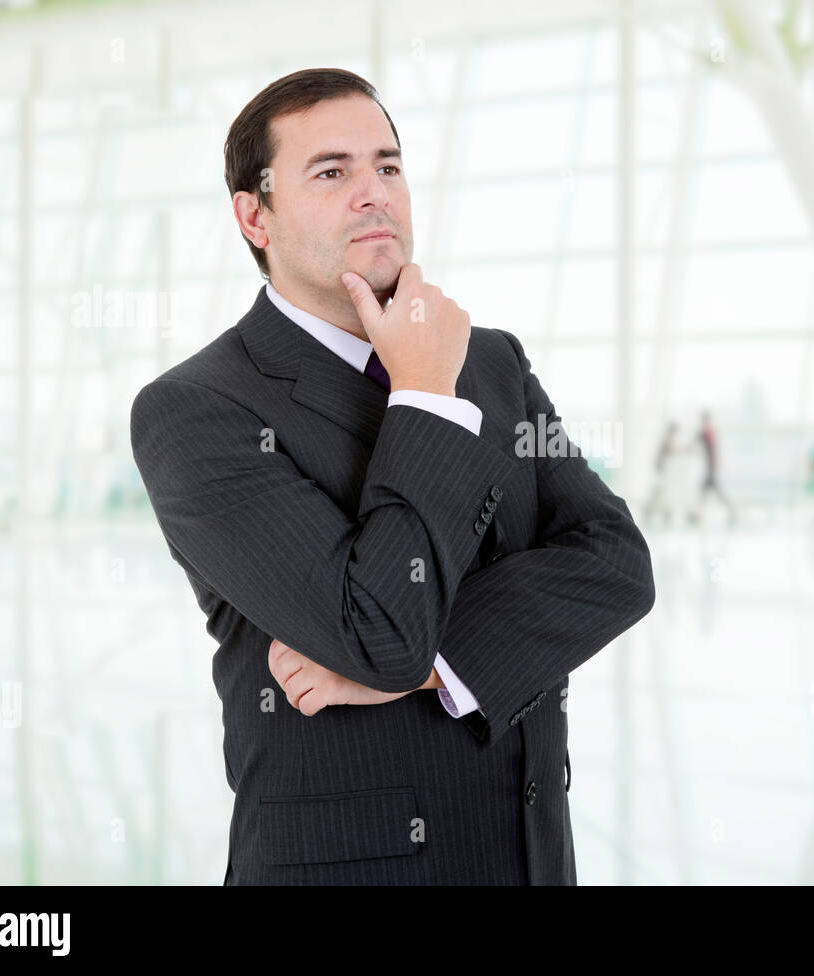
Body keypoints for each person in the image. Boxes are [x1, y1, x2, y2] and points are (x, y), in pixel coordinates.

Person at [129, 68, 655, 884]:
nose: (374, 193)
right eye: (332, 172)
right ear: (254, 215)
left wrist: (434, 665)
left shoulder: (492, 360)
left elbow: (617, 562)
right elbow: (377, 628)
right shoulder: (198, 410)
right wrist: (420, 393)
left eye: (389, 165)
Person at [693, 408, 736, 526]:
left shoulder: (706, 433)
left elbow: (698, 445)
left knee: (710, 492)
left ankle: (698, 515)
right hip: (710, 468)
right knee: (709, 492)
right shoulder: (708, 432)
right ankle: (698, 515)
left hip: (709, 469)